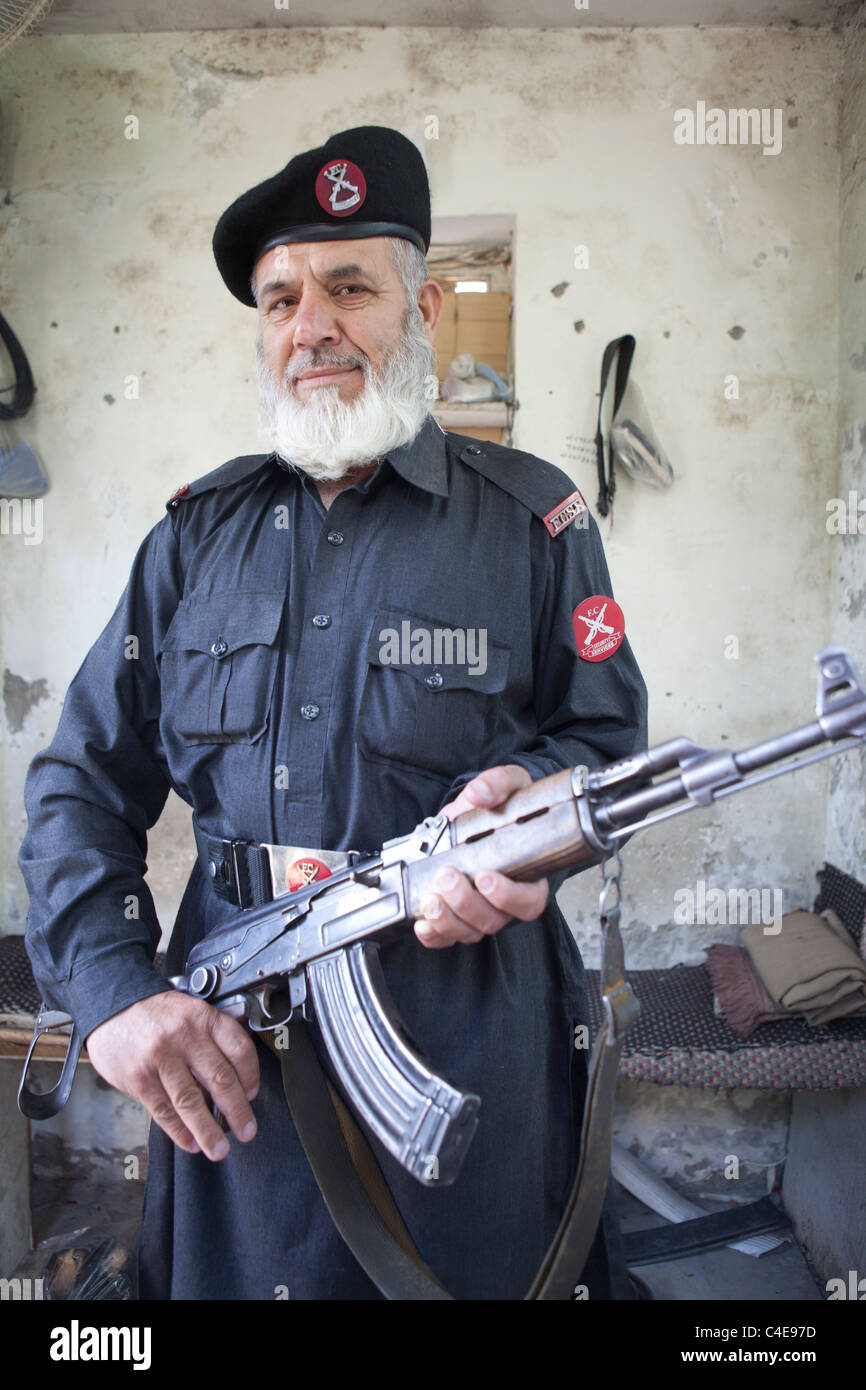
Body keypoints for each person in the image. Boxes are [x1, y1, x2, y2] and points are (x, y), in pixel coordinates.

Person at [20, 125, 648, 1300]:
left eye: (349, 287)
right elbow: (79, 784)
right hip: (232, 1047)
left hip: (467, 1029)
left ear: (423, 304)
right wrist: (114, 994)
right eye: (278, 300)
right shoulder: (192, 537)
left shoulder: (537, 522)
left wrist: (540, 805)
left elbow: (602, 742)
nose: (310, 327)